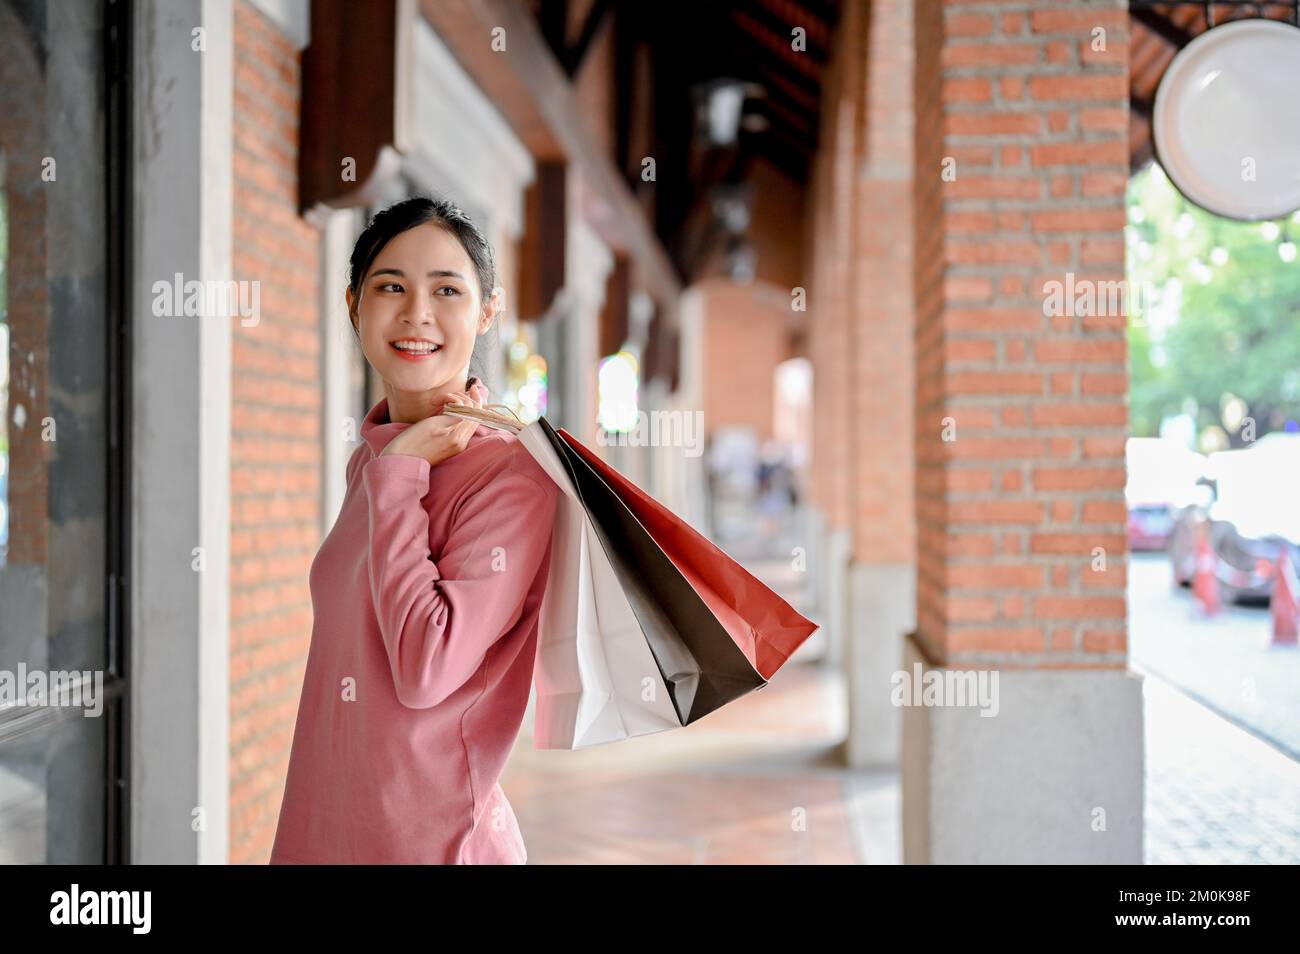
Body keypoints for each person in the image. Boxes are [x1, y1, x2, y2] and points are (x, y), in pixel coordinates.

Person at [269, 196, 560, 864]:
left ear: (488, 311)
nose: (416, 313)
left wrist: (401, 476)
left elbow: (428, 668)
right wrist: (394, 468)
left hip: (430, 846)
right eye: (390, 286)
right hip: (328, 833)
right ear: (353, 306)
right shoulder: (373, 460)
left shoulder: (509, 477)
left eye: (447, 289)